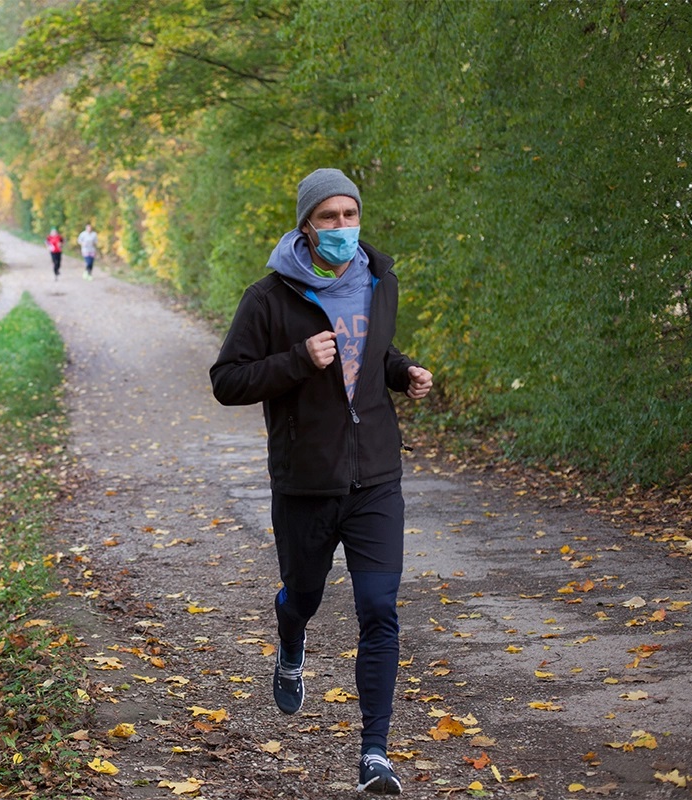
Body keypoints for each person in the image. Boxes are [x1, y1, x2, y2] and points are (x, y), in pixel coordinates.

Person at [210, 168, 433, 795]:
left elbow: (373, 353)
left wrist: (403, 371)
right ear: (306, 225)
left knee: (380, 610)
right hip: (307, 482)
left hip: (377, 479)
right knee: (303, 595)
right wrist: (295, 361)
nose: (341, 227)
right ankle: (290, 637)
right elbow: (227, 380)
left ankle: (375, 754)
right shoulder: (269, 297)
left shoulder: (379, 280)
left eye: (349, 215)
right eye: (328, 217)